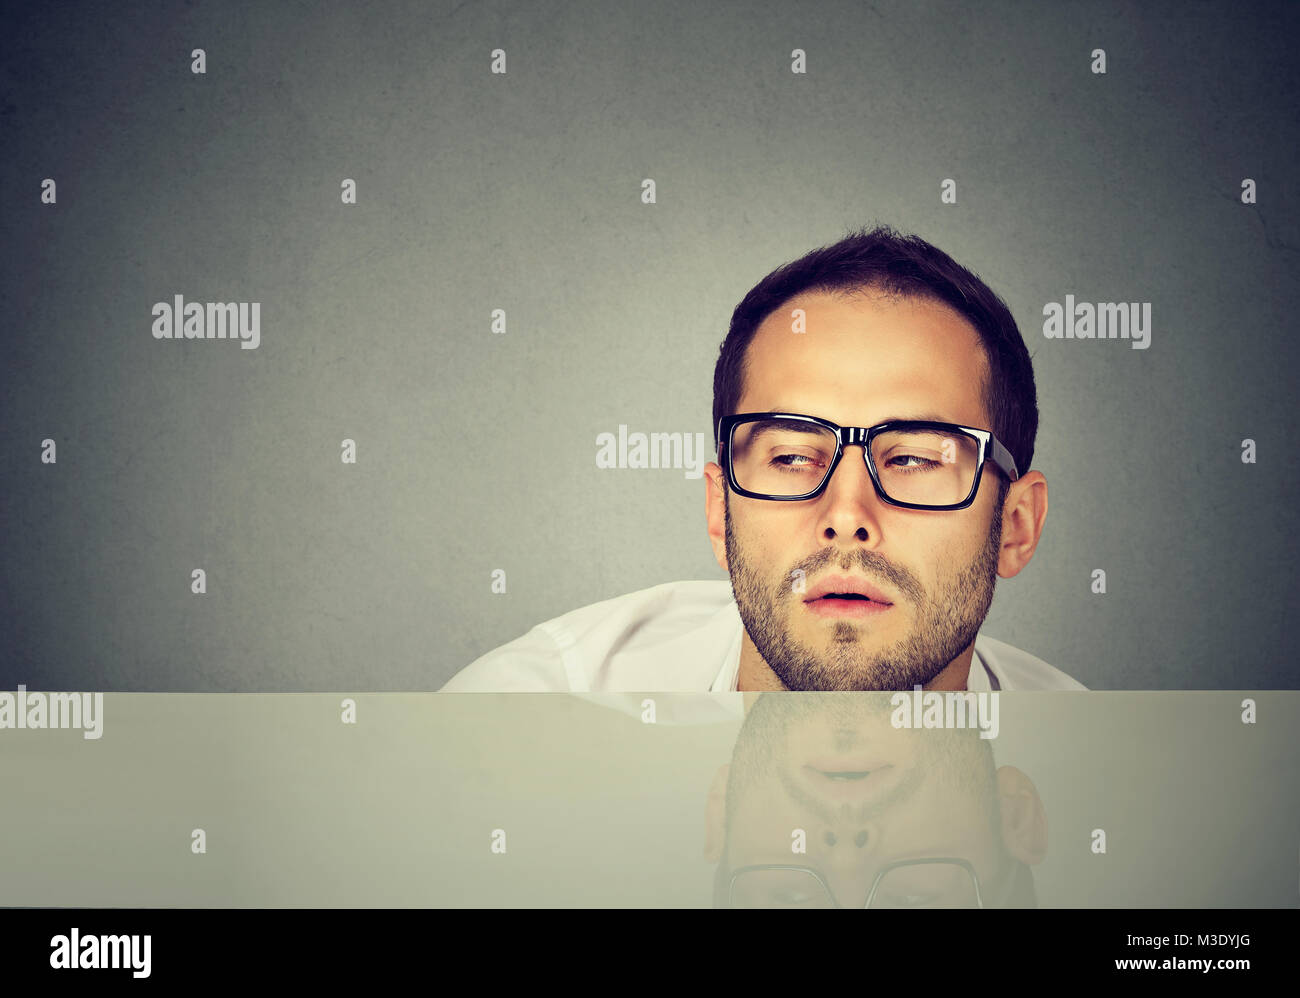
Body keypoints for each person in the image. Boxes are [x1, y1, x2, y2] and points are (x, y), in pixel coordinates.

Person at [442, 225, 1086, 692]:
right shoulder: (528, 725)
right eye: (790, 457)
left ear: (1016, 525)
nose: (846, 516)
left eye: (914, 458)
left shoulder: (1097, 778)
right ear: (719, 512)